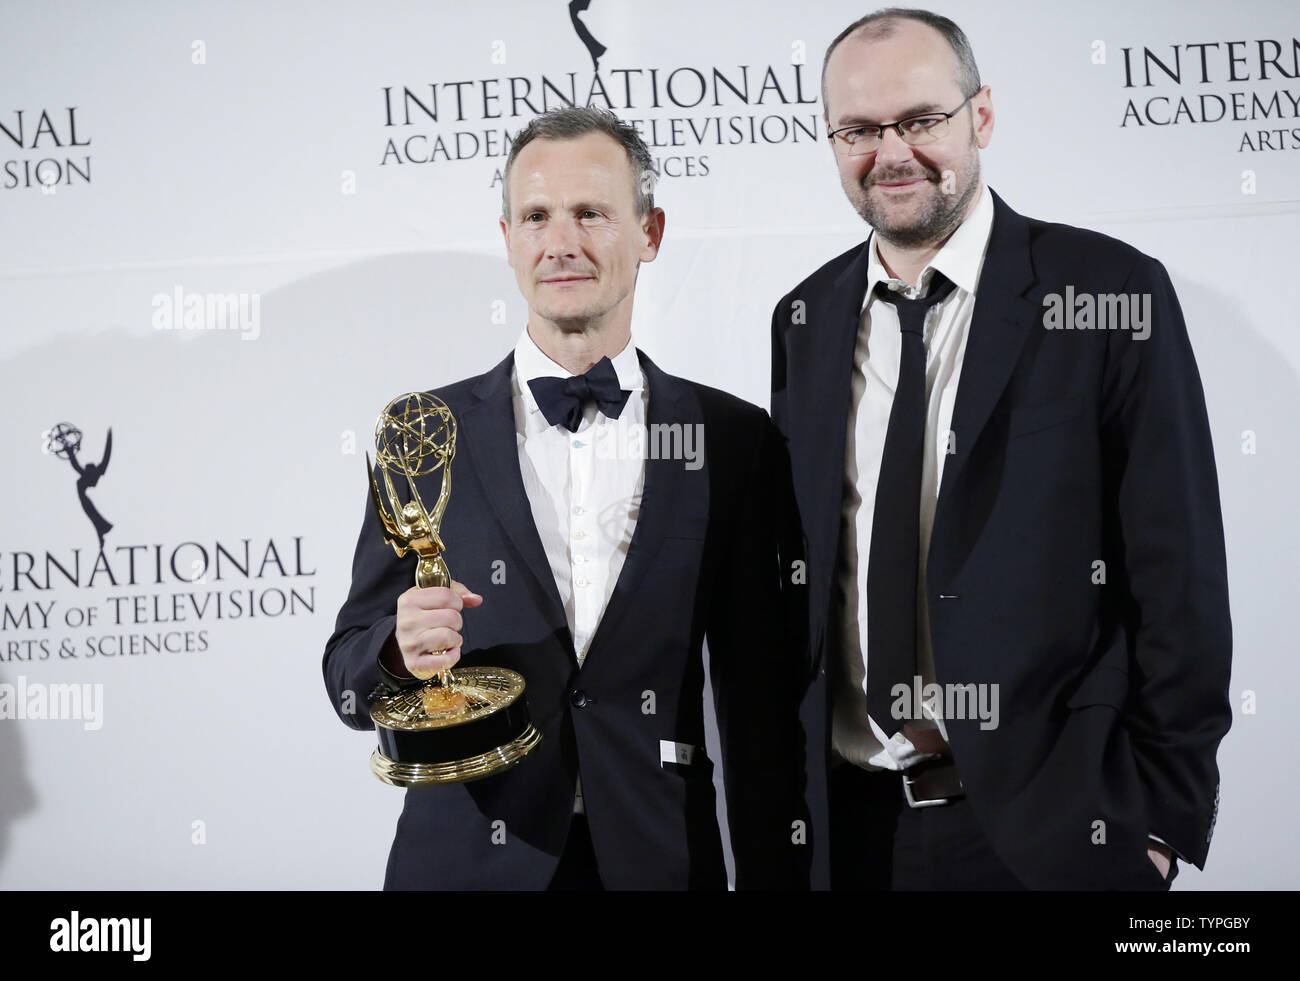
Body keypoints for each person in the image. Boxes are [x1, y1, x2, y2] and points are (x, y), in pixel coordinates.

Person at [770, 8, 1231, 890]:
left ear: (980, 116)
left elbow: (1181, 574)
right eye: (859, 129)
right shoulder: (805, 316)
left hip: (1060, 829)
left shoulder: (1107, 289)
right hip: (854, 829)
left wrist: (1162, 819)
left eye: (921, 119)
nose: (892, 152)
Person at [325, 106, 809, 890]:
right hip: (467, 864)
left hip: (662, 859)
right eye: (537, 216)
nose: (561, 242)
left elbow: (764, 705)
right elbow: (346, 676)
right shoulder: (424, 431)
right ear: (509, 237)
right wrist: (393, 648)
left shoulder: (732, 436)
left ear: (649, 233)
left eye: (591, 213)